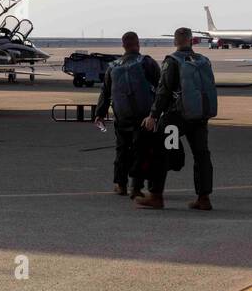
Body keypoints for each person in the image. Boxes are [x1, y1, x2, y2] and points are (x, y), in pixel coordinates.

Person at [136, 27, 218, 211]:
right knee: (202, 155)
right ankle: (204, 198)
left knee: (161, 151)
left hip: (177, 118)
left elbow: (163, 90)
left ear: (175, 41)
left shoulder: (172, 61)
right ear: (191, 41)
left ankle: (156, 195)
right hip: (199, 117)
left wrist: (153, 115)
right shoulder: (203, 60)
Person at [93, 32, 160, 199]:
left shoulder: (113, 66)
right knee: (142, 150)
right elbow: (161, 87)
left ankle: (120, 184)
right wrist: (158, 112)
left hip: (122, 116)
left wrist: (99, 113)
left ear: (123, 45)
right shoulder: (147, 63)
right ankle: (136, 186)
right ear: (138, 44)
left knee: (122, 149)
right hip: (144, 117)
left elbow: (106, 92)